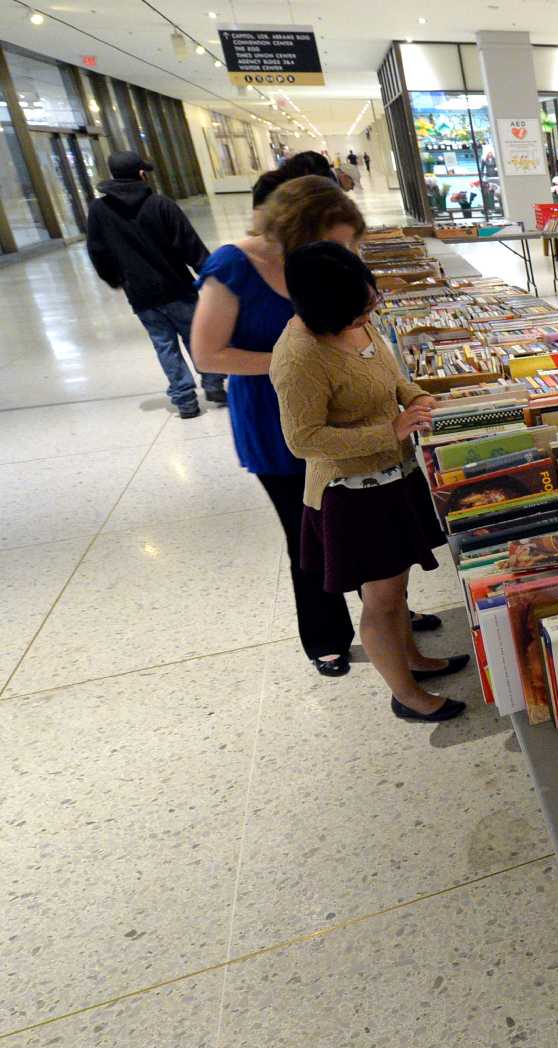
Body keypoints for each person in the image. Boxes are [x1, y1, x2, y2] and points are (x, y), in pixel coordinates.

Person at [271, 242, 468, 723]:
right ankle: (406, 694)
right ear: (324, 309)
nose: (370, 316)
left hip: (394, 477)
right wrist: (392, 430)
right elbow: (303, 440)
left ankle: (415, 660)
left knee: (397, 586)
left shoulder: (355, 321)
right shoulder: (299, 357)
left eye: (369, 306)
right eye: (360, 312)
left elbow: (392, 377)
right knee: (380, 599)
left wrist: (419, 398)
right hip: (350, 494)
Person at [194, 176, 368, 679]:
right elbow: (208, 353)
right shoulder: (233, 267)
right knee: (308, 533)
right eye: (335, 244)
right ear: (301, 230)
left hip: (341, 411)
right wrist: (295, 363)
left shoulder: (315, 263)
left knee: (362, 517)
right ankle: (325, 635)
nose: (344, 256)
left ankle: (386, 611)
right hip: (276, 421)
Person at [84, 150, 225, 419]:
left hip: (140, 294)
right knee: (195, 337)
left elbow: (97, 250)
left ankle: (185, 401)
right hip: (178, 287)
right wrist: (209, 274)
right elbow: (189, 244)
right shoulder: (161, 204)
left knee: (164, 345)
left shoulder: (100, 210)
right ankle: (213, 384)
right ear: (140, 173)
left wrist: (116, 279)